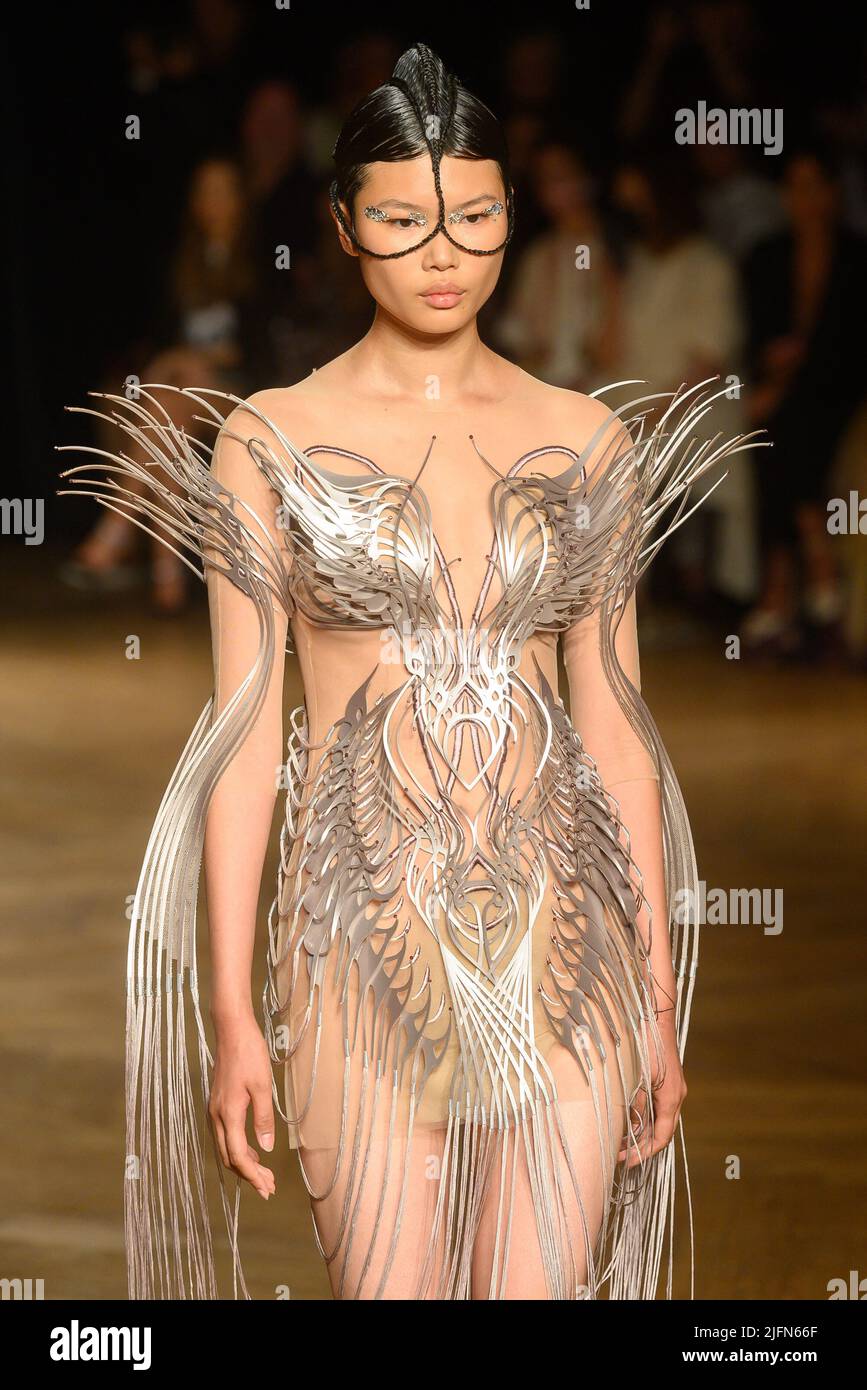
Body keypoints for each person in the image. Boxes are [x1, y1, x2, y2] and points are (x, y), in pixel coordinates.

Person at [59, 43, 763, 1301]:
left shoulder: (585, 439)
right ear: (343, 226)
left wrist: (658, 996)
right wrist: (232, 1011)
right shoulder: (270, 441)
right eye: (402, 218)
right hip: (354, 943)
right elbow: (236, 750)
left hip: (569, 938)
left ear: (509, 217)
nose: (444, 252)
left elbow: (615, 728)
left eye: (478, 215)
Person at [61, 155, 259, 613]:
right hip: (182, 395)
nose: (214, 203)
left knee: (171, 394)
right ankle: (167, 578)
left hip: (246, 388)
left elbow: (262, 346)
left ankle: (121, 535)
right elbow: (161, 339)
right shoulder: (180, 266)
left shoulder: (264, 262)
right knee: (167, 411)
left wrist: (192, 360)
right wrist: (176, 363)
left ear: (241, 200)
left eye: (223, 191)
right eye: (204, 192)